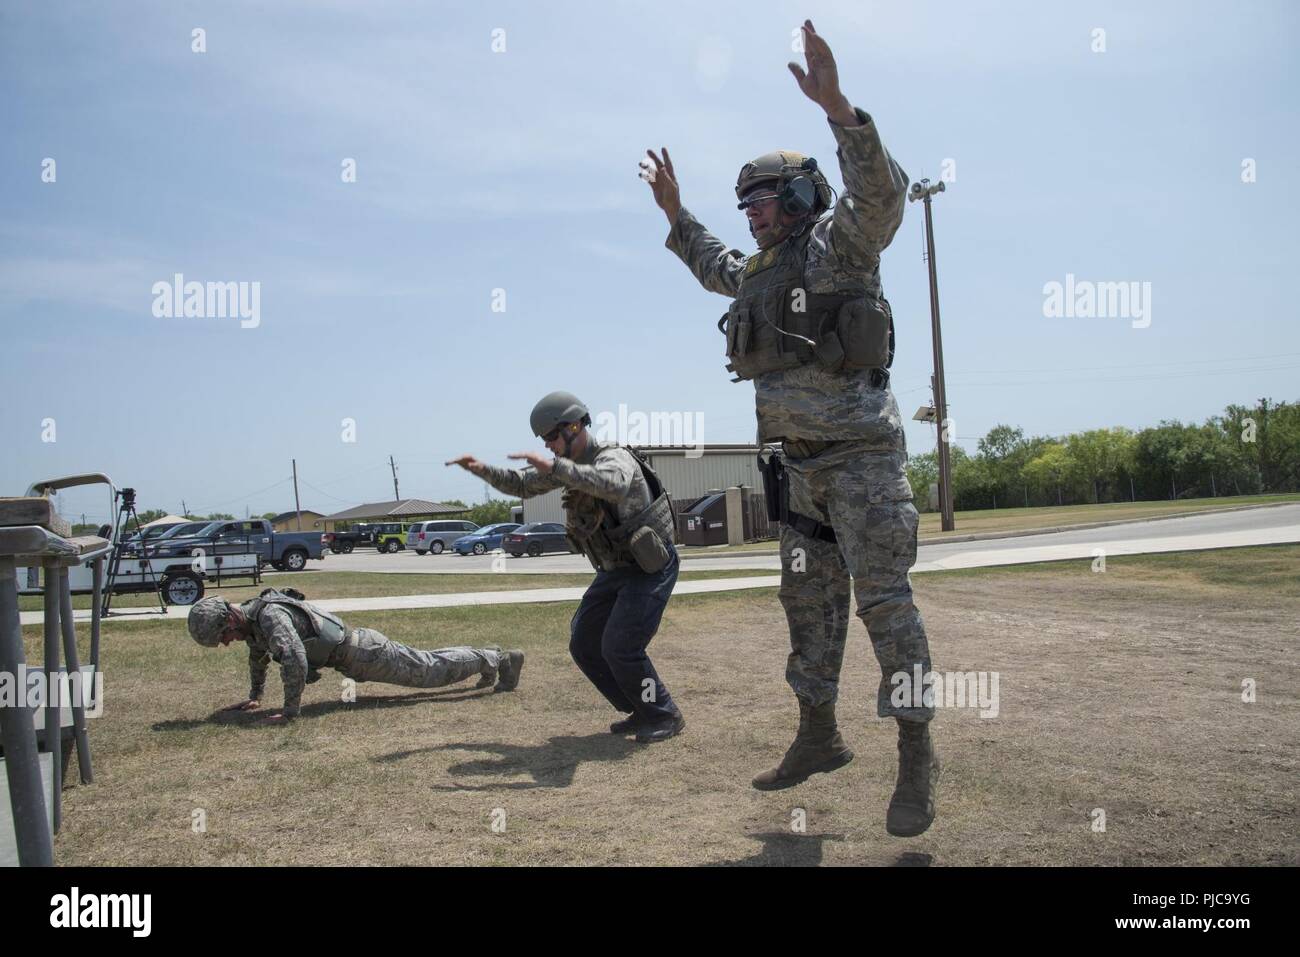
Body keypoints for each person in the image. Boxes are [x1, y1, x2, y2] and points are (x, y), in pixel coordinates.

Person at [640, 20, 938, 836]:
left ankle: (916, 751)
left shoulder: (840, 248)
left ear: (803, 197)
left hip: (863, 465)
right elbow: (711, 266)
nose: (753, 213)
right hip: (798, 473)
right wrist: (676, 213)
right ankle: (819, 733)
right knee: (806, 605)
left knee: (885, 602)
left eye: (764, 198)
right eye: (745, 203)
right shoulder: (758, 276)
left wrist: (839, 107)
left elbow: (881, 197)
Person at [447, 391, 685, 743]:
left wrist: (560, 469)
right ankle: (639, 708)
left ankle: (663, 713)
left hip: (648, 566)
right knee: (584, 644)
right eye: (546, 441)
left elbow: (614, 485)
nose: (550, 446)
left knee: (620, 646)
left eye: (553, 438)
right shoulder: (568, 466)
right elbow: (523, 485)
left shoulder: (613, 459)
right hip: (614, 569)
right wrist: (482, 470)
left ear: (575, 427)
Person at [186, 589, 524, 722]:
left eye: (224, 636)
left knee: (428, 671)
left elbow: (295, 661)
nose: (228, 642)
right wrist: (255, 697)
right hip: (357, 656)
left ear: (230, 618)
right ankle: (489, 658)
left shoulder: (269, 616)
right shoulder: (254, 624)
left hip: (365, 653)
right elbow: (257, 657)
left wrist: (290, 713)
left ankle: (498, 659)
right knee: (428, 663)